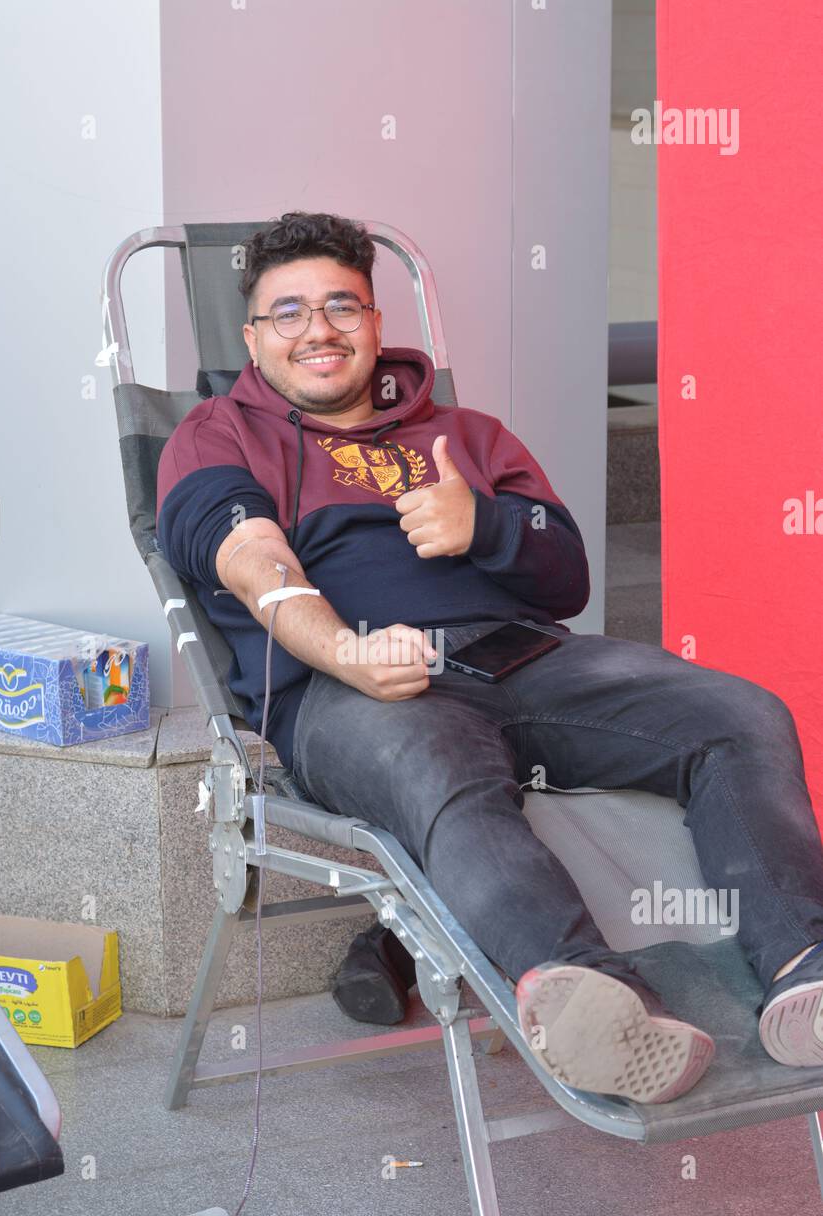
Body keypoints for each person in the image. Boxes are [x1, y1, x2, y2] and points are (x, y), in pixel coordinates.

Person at [156, 210, 823, 1104]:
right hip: (345, 691)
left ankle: (802, 968)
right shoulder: (218, 435)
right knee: (440, 765)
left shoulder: (465, 436)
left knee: (741, 717)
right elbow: (253, 563)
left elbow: (568, 576)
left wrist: (487, 524)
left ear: (377, 324)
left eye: (342, 306)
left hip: (527, 661)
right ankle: (601, 1006)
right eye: (288, 312)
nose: (318, 329)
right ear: (253, 337)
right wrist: (347, 651)